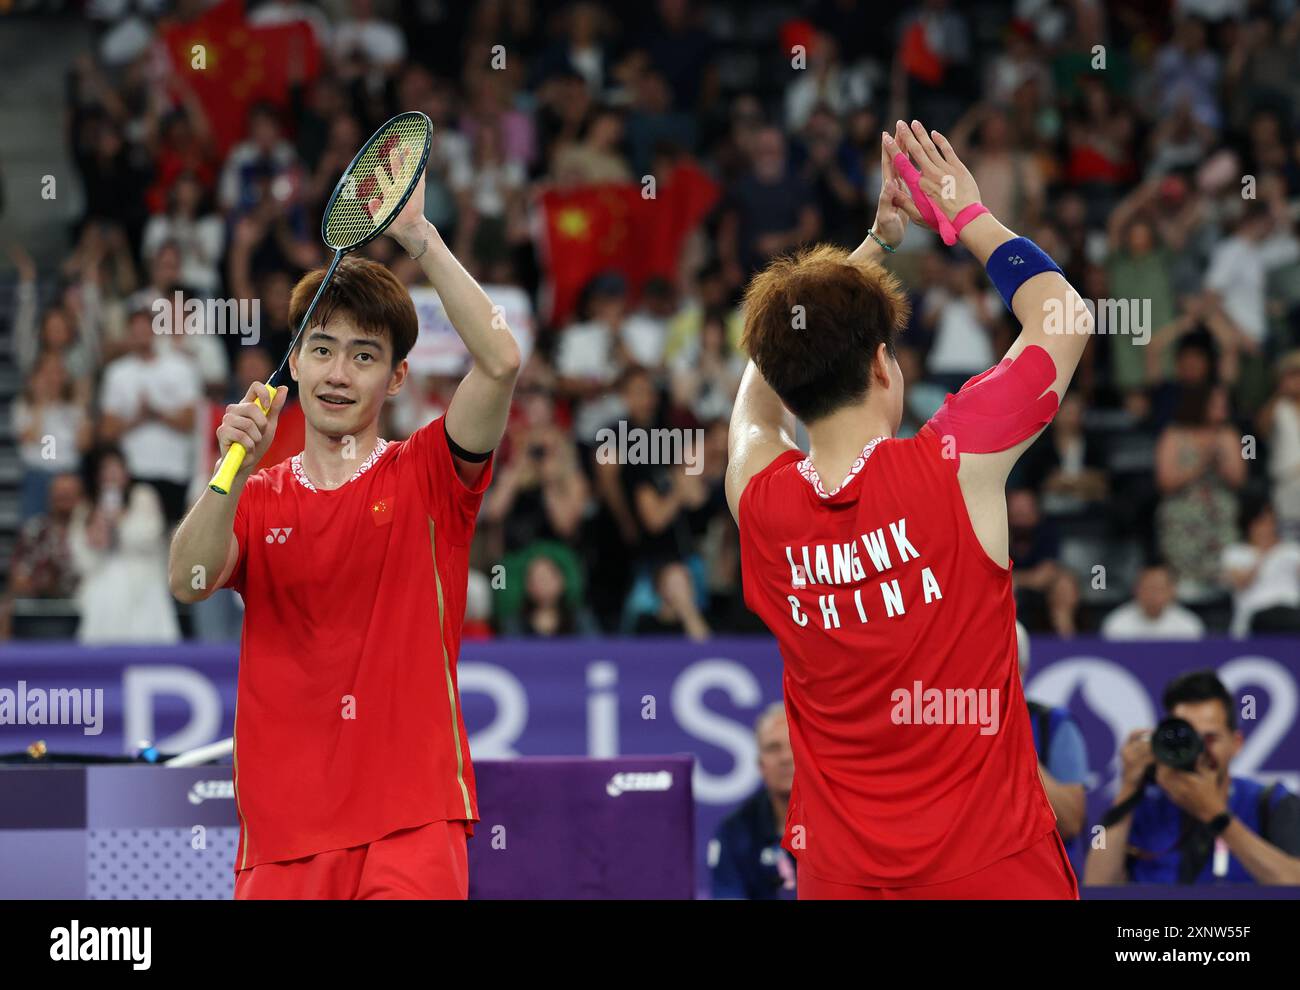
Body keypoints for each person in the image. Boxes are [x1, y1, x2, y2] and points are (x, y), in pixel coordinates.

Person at [726, 120, 1084, 899]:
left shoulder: (759, 498)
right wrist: (965, 214)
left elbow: (756, 399)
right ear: (885, 366)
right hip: (996, 871)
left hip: (841, 877)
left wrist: (870, 251)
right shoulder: (955, 465)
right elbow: (1064, 318)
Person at [168, 146, 521, 899]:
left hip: (411, 823)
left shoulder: (429, 475)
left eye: (363, 357)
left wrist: (420, 236)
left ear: (395, 378)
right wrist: (230, 467)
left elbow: (499, 361)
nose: (336, 373)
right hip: (283, 838)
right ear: (293, 365)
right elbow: (188, 579)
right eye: (321, 349)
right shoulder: (257, 497)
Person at [1083, 670, 1300, 885]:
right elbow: (1096, 885)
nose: (1199, 752)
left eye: (1210, 738)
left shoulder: (1272, 803)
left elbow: (1294, 882)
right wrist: (1129, 788)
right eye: (1187, 737)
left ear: (1236, 743)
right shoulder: (1143, 805)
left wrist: (1216, 816)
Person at [70, 445, 179, 645]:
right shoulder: (86, 509)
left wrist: (120, 521)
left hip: (145, 588)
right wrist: (95, 539)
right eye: (105, 469)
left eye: (115, 468)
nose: (111, 475)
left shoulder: (144, 496)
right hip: (104, 591)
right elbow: (81, 561)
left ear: (126, 471)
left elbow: (150, 536)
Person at [709, 703, 798, 899]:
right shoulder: (735, 831)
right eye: (773, 748)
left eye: (793, 744)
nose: (785, 757)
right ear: (760, 764)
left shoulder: (839, 823)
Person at [1100, 564, 1206, 640]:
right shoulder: (1117, 623)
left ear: (1172, 591)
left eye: (1159, 588)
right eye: (1148, 588)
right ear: (1136, 590)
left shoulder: (1188, 624)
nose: (1153, 594)